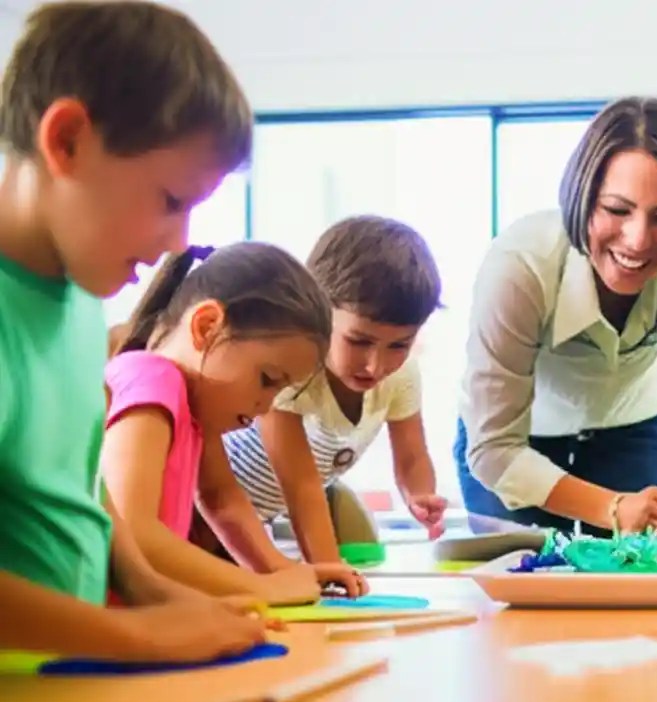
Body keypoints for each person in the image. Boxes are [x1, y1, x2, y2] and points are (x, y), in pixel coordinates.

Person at [0, 0, 267, 660]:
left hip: (69, 678)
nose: (179, 242)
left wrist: (152, 591)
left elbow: (80, 483)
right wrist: (131, 634)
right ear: (66, 141)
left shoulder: (79, 303)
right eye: (170, 202)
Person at [456, 96, 657, 535]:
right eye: (616, 210)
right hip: (518, 440)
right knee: (526, 578)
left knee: (647, 584)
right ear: (583, 198)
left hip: (637, 424)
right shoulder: (520, 265)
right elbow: (493, 447)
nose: (638, 240)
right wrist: (614, 508)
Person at [103, 243, 349, 604]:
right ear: (207, 326)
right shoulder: (153, 378)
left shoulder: (193, 408)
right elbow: (130, 527)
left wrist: (283, 572)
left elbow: (222, 499)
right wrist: (264, 588)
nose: (265, 406)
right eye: (267, 379)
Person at [219, 217, 446, 576]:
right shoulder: (289, 371)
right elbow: (301, 486)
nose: (375, 366)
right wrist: (330, 572)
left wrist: (419, 495)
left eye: (398, 345)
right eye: (359, 341)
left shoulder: (400, 376)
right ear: (318, 310)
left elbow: (413, 456)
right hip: (211, 508)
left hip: (256, 517)